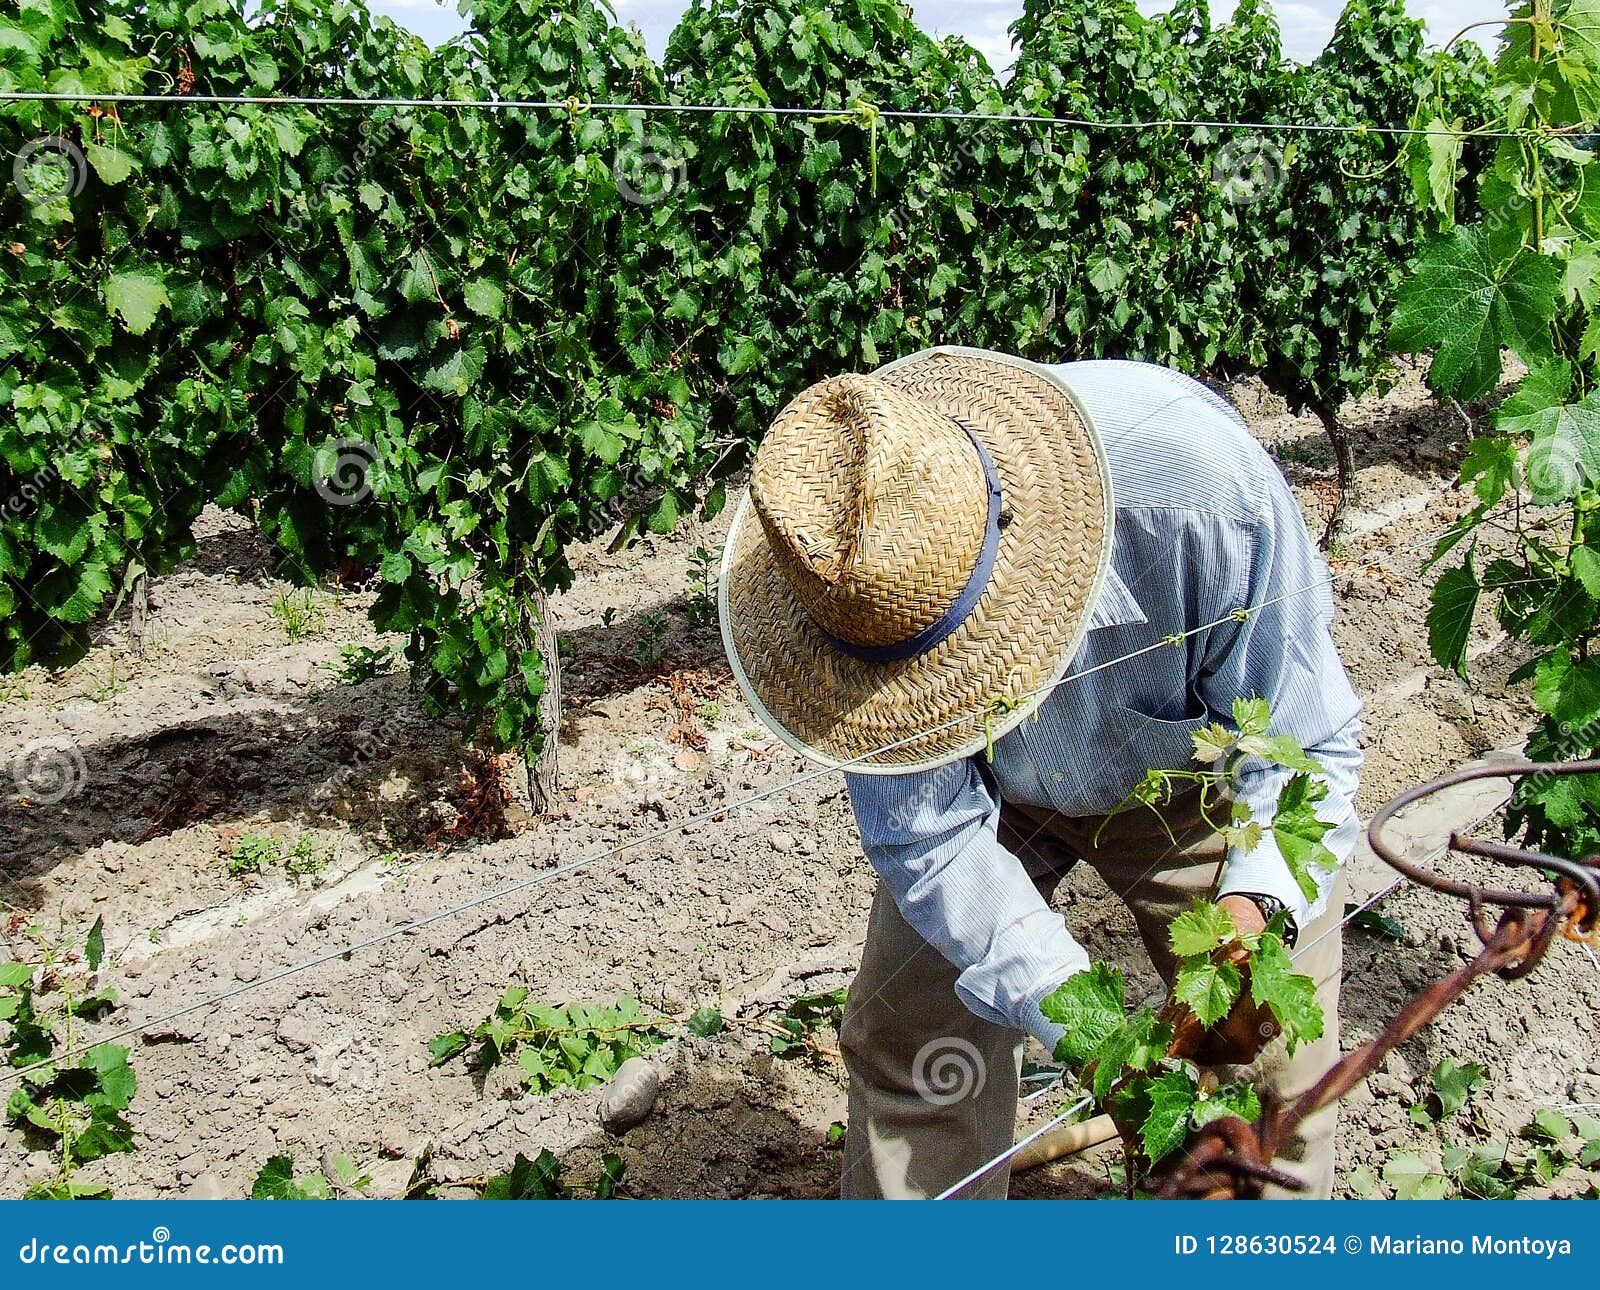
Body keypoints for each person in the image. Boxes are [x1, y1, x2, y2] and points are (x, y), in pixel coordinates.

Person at [718, 346, 1361, 1199]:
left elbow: (1305, 744)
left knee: (1272, 1051)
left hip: (1196, 779)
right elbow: (936, 845)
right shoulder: (848, 583)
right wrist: (1093, 1035)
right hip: (993, 801)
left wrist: (1245, 919)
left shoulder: (1202, 500)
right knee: (913, 1048)